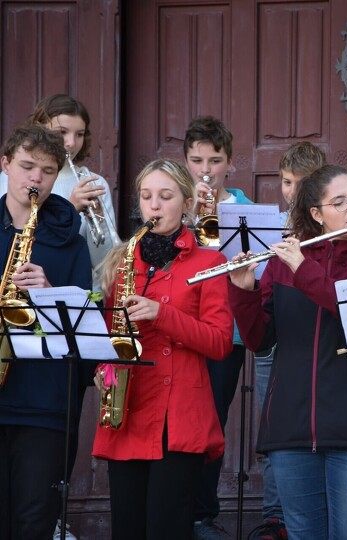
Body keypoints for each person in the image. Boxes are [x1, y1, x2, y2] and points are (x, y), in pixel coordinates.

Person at [228, 165, 347, 539]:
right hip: (290, 429)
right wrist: (243, 291)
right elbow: (259, 340)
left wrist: (304, 270)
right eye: (339, 202)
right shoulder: (281, 266)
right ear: (316, 214)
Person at [91, 158, 234, 540]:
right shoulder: (121, 261)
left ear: (187, 202)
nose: (153, 205)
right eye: (146, 196)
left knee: (167, 528)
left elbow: (220, 342)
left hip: (179, 416)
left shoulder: (210, 262)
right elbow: (106, 338)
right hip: (127, 407)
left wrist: (162, 314)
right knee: (127, 529)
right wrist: (103, 371)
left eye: (165, 196)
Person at [0, 124, 92, 538]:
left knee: (34, 524)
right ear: (5, 164)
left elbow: (86, 331)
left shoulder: (71, 242)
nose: (36, 178)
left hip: (44, 405)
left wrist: (50, 292)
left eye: (48, 170)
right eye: (26, 166)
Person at [248, 141, 325, 540]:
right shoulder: (268, 226)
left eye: (301, 182)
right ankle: (274, 518)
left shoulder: (329, 230)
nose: (292, 192)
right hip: (272, 330)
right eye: (286, 181)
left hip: (309, 338)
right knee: (275, 430)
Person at [182, 116, 252, 540]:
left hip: (225, 331)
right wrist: (188, 215)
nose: (205, 170)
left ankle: (202, 514)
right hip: (178, 328)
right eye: (196, 160)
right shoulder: (174, 204)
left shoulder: (245, 211)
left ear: (229, 162)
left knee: (211, 420)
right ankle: (174, 509)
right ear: (185, 162)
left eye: (214, 160)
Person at [0, 94, 121, 291]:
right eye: (62, 132)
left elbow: (103, 264)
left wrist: (96, 218)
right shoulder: (11, 177)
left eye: (79, 134)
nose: (71, 142)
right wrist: (71, 207)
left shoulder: (92, 183)